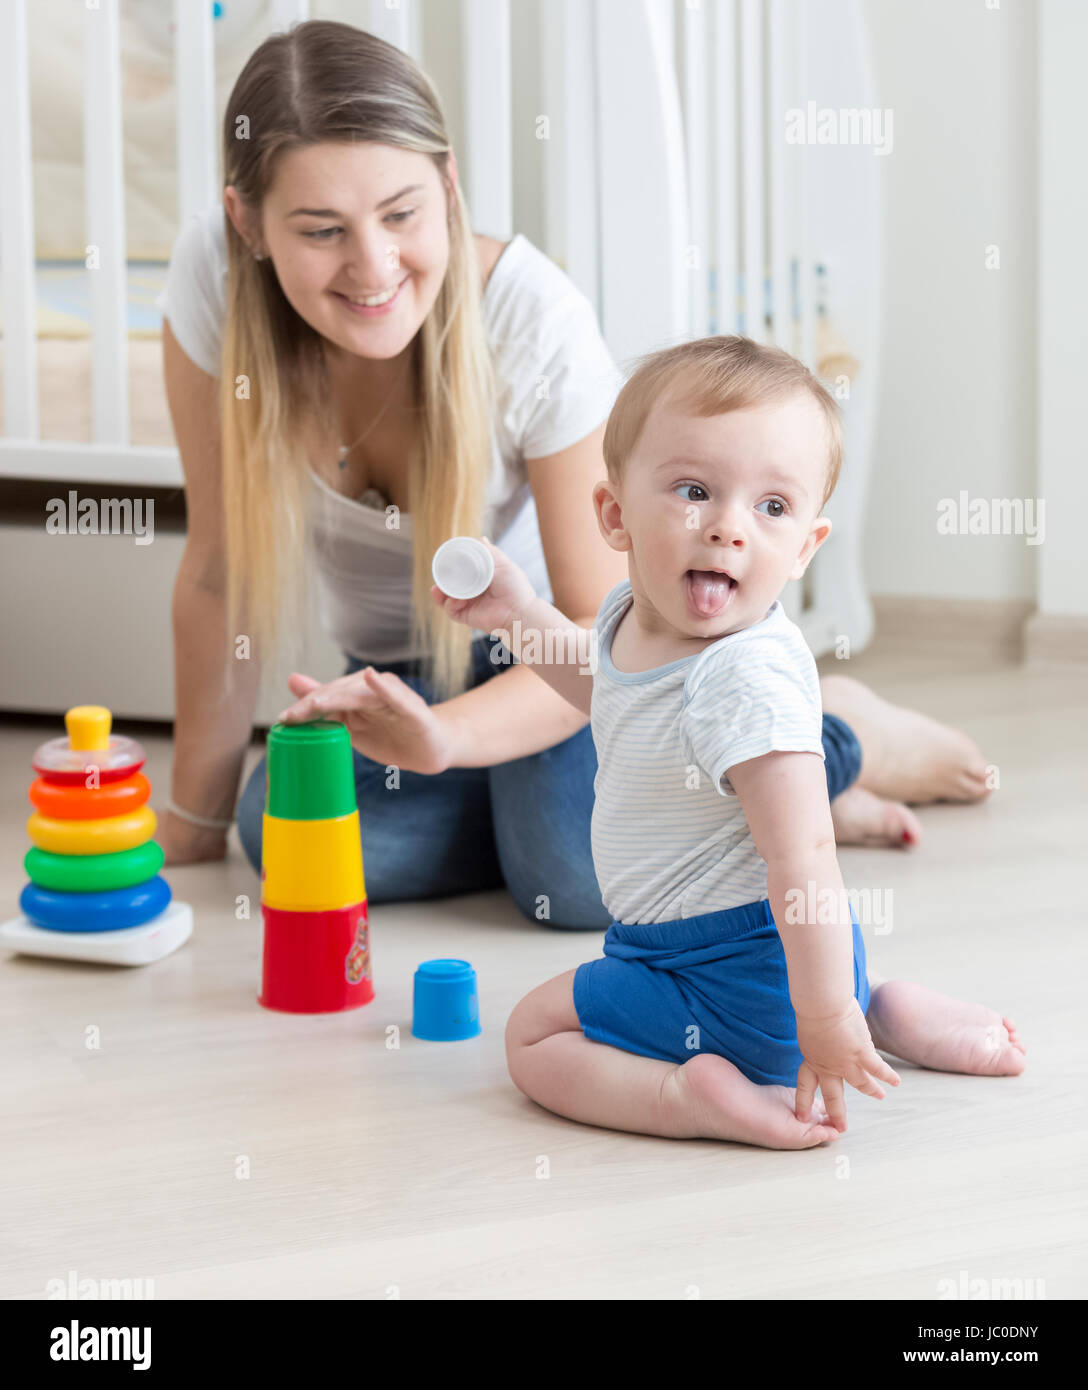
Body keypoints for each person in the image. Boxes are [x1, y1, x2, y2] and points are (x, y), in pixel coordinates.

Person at [159, 19, 989, 929]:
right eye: (322, 231)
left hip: (570, 661)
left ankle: (821, 735)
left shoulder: (532, 321)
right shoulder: (212, 282)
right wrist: (194, 818)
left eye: (401, 214)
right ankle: (727, 796)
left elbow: (597, 630)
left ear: (448, 185)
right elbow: (217, 570)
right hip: (406, 672)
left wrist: (444, 742)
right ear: (249, 224)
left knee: (579, 881)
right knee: (276, 833)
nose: (374, 266)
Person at [431, 336, 1026, 1147]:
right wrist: (520, 615)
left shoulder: (744, 678)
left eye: (771, 508)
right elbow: (603, 693)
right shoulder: (633, 621)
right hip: (793, 962)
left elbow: (807, 857)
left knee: (532, 1036)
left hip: (727, 976)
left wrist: (814, 1019)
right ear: (615, 515)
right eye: (694, 490)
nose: (727, 529)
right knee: (818, 994)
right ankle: (881, 1006)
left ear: (804, 550)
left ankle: (690, 1094)